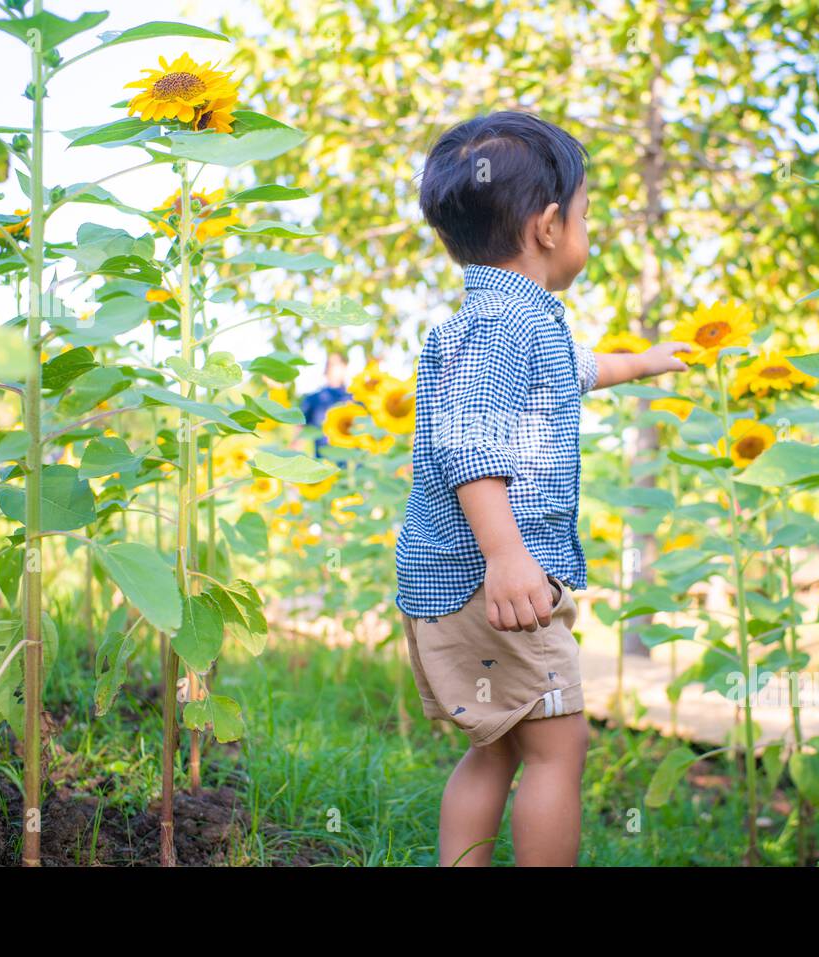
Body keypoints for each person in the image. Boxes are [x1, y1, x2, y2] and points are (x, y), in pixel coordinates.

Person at [394, 111, 688, 866]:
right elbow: (470, 444)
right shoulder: (505, 329)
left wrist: (646, 361)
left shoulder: (512, 324)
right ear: (550, 225)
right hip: (493, 582)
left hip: (456, 581)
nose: (587, 227)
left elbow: (582, 369)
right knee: (560, 746)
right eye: (586, 214)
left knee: (497, 748)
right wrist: (507, 555)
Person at [299, 350, 351, 456]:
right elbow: (299, 437)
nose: (331, 368)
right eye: (329, 364)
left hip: (352, 465)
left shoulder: (355, 399)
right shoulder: (313, 400)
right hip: (324, 463)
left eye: (336, 364)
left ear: (345, 367)